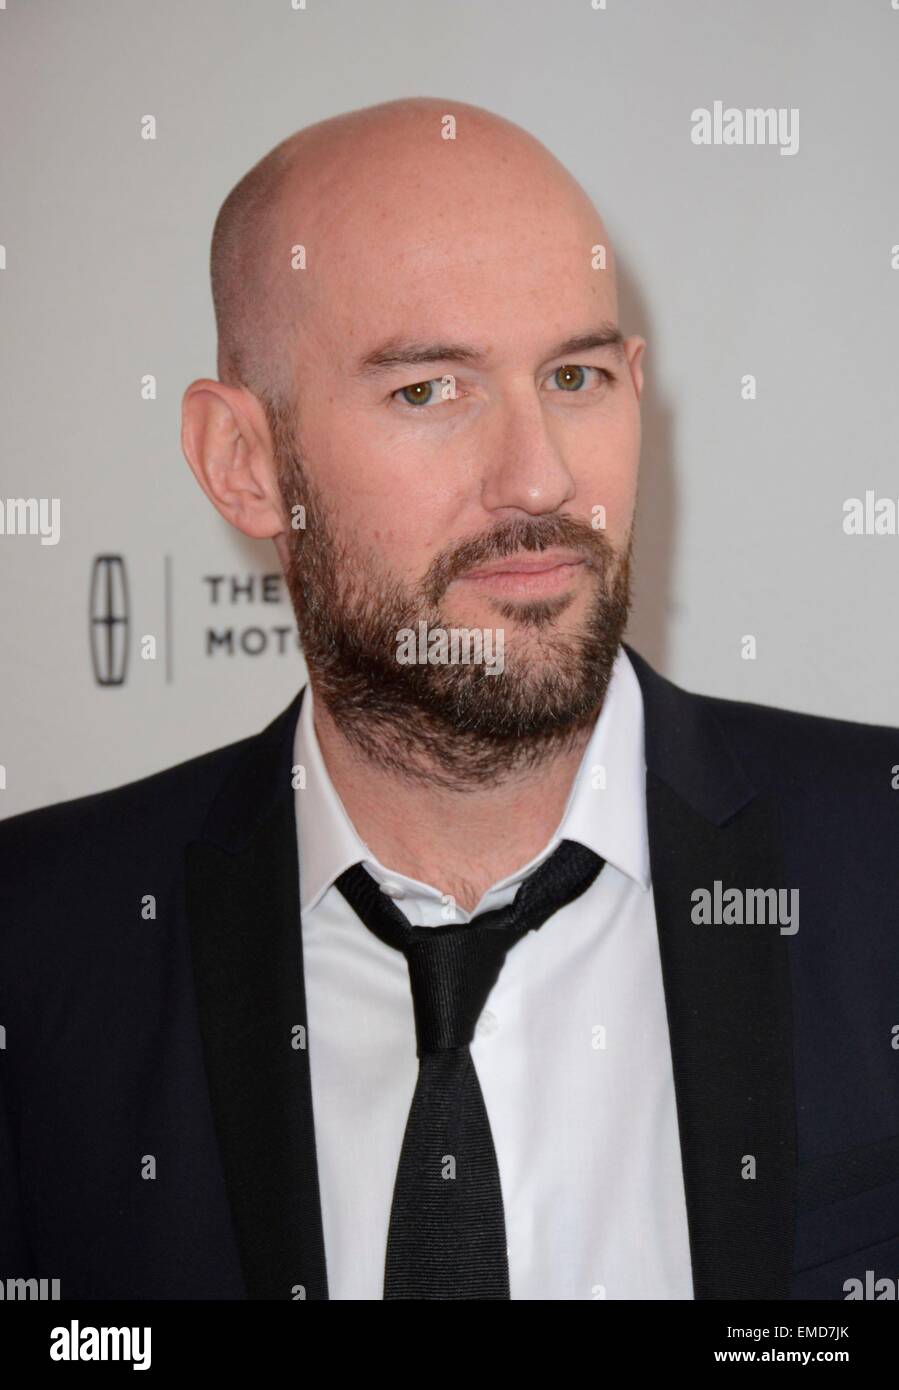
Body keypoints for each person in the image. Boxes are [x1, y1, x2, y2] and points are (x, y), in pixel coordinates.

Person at [1, 97, 897, 1302]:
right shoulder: (43, 943)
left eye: (574, 375)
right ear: (245, 464)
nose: (540, 476)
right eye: (428, 390)